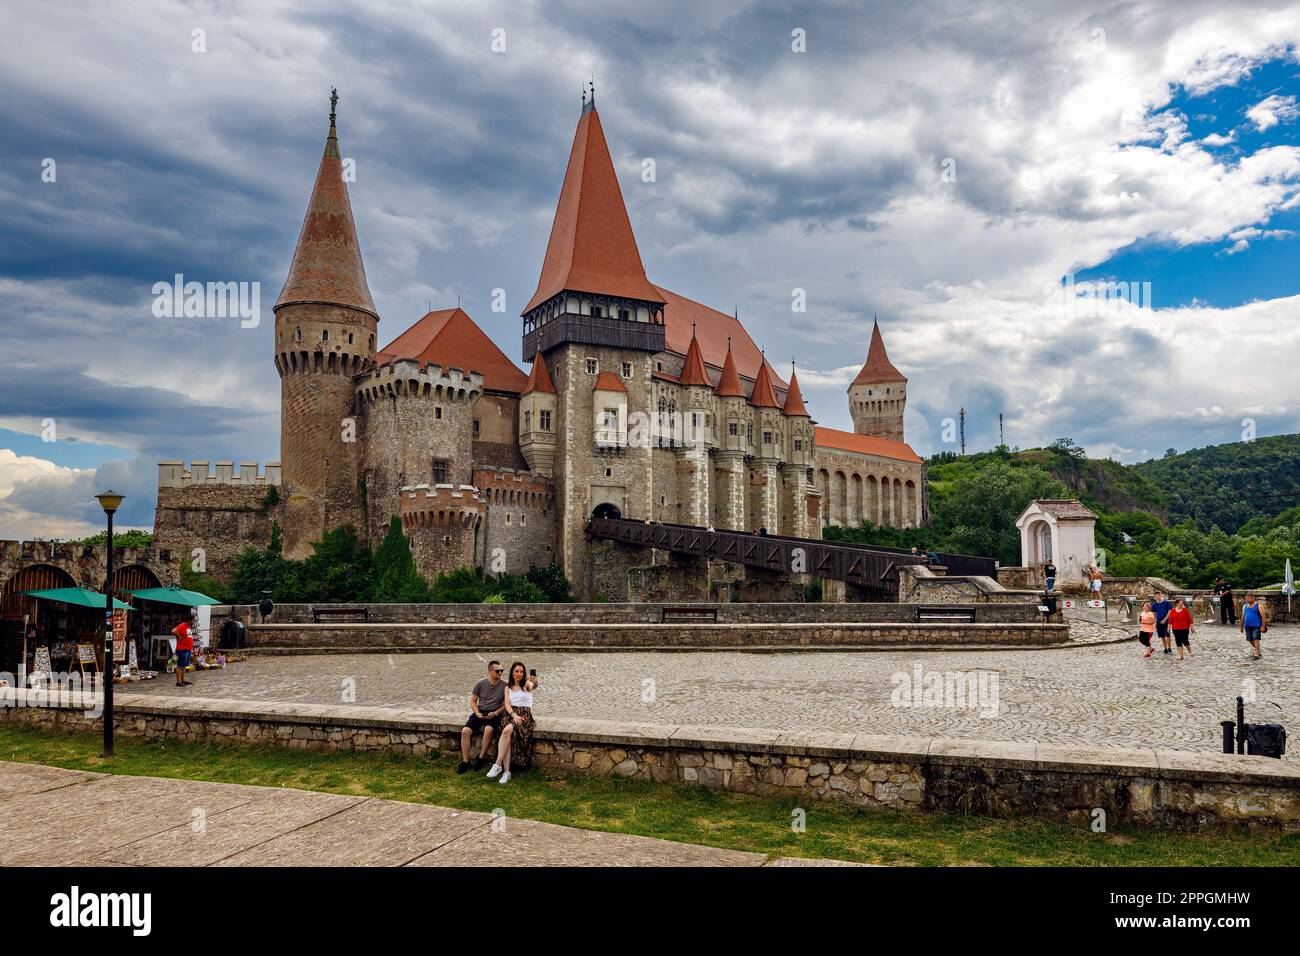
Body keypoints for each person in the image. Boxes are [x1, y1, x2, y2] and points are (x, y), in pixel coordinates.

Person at [486, 662, 540, 785]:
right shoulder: (507, 687)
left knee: (506, 731)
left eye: (521, 671)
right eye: (516, 671)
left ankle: (498, 764)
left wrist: (535, 681)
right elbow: (507, 705)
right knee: (507, 736)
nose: (519, 673)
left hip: (524, 715)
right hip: (510, 714)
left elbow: (533, 685)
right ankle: (506, 772)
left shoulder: (526, 685)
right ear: (512, 673)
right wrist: (514, 715)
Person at [458, 660, 506, 773]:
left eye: (502, 671)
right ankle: (465, 762)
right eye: (497, 671)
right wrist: (476, 713)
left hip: (494, 713)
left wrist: (495, 713)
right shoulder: (480, 683)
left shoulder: (505, 685)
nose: (500, 673)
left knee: (488, 730)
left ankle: (481, 757)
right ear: (490, 671)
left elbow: (506, 705)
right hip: (480, 711)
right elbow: (473, 701)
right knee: (465, 731)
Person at [171, 613, 196, 687]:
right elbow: (173, 631)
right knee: (180, 665)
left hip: (187, 648)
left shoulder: (188, 627)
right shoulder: (182, 625)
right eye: (193, 620)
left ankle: (183, 680)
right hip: (182, 648)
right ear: (189, 620)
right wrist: (179, 636)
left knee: (184, 665)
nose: (194, 621)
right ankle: (178, 681)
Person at [1241, 594, 1266, 660]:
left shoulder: (1258, 606)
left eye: (1248, 598)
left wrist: (1263, 626)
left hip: (1256, 626)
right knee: (1249, 639)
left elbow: (1263, 616)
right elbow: (1243, 617)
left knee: (1256, 638)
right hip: (1247, 626)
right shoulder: (1244, 606)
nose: (1247, 600)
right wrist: (1241, 626)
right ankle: (1258, 650)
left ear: (1252, 598)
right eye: (1246, 598)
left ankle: (1257, 654)